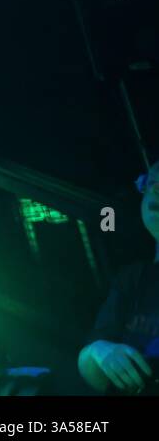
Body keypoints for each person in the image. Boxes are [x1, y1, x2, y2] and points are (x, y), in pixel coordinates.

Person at [77, 159, 159, 394]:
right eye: (150, 182)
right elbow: (89, 362)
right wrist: (99, 350)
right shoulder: (132, 277)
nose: (155, 189)